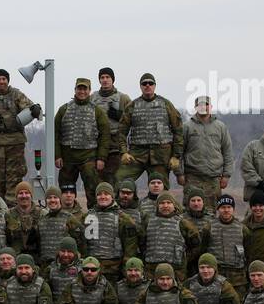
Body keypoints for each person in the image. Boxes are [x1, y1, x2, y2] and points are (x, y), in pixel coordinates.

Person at [115, 73, 183, 187]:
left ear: (154, 86)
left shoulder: (166, 104)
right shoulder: (132, 106)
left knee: (161, 188)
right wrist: (123, 152)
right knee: (119, 180)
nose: (147, 86)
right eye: (144, 83)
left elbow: (178, 130)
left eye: (150, 83)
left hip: (160, 155)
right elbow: (121, 131)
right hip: (137, 155)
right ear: (140, 86)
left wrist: (176, 156)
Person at [53, 76, 110, 207]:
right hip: (68, 158)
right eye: (79, 88)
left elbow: (105, 135)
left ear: (89, 90)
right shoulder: (64, 110)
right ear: (75, 90)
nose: (82, 91)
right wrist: (57, 155)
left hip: (89, 157)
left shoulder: (97, 111)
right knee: (66, 191)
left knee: (93, 190)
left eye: (85, 89)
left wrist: (101, 158)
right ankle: (66, 217)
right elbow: (55, 134)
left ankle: (94, 217)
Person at [179, 95, 232, 205]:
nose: (203, 107)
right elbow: (179, 152)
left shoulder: (220, 127)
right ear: (195, 107)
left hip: (213, 178)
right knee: (190, 210)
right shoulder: (186, 127)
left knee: (211, 212)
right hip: (192, 177)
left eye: (206, 104)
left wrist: (226, 175)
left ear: (211, 106)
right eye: (200, 104)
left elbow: (227, 152)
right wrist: (179, 174)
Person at [141, 192, 199, 282]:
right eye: (162, 203)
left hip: (176, 272)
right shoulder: (148, 222)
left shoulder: (183, 223)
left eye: (169, 203)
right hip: (152, 271)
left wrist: (184, 258)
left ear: (174, 205)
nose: (165, 205)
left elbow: (196, 244)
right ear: (157, 205)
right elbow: (141, 243)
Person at [92, 67, 131, 187]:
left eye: (107, 77)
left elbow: (133, 119)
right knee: (97, 180)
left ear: (112, 79)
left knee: (115, 180)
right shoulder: (92, 98)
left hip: (116, 147)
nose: (105, 80)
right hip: (97, 146)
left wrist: (120, 116)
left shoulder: (123, 98)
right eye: (102, 77)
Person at [199, 195, 247, 292]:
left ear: (233, 209)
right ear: (218, 209)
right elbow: (202, 251)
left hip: (238, 278)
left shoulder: (242, 229)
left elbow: (249, 252)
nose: (226, 210)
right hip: (216, 275)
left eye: (229, 207)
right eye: (223, 207)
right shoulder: (209, 227)